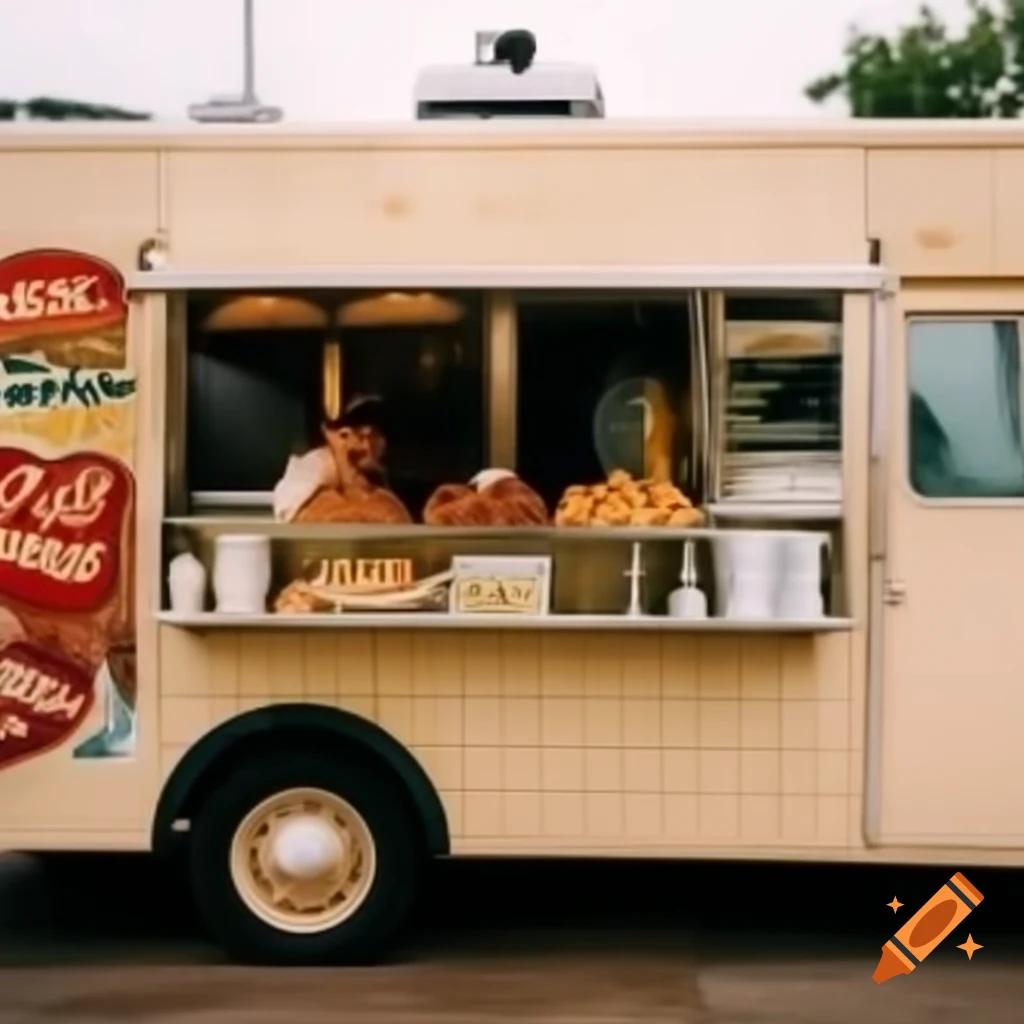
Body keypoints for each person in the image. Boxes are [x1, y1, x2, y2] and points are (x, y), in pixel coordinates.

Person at [272, 394, 412, 524]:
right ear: (335, 435)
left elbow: (398, 520)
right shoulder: (311, 469)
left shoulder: (375, 477)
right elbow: (313, 517)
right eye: (361, 434)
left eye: (375, 432)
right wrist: (345, 459)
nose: (370, 444)